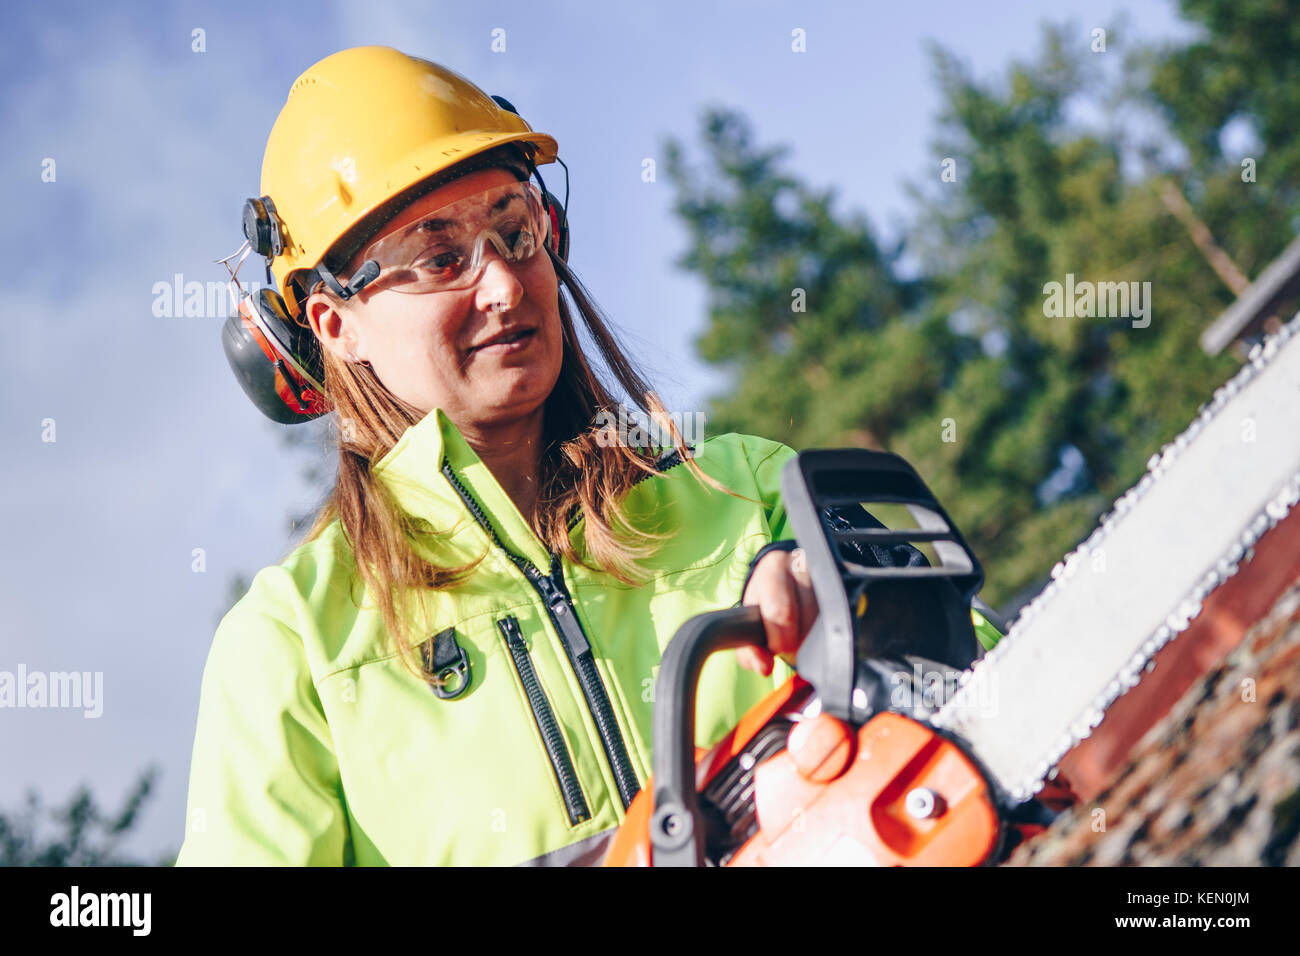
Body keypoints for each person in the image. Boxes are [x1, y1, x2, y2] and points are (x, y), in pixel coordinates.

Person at [176, 46, 827, 866]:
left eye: (514, 232)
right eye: (441, 256)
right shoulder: (292, 646)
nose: (504, 286)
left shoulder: (748, 490)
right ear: (336, 324)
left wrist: (858, 611)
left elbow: (968, 686)